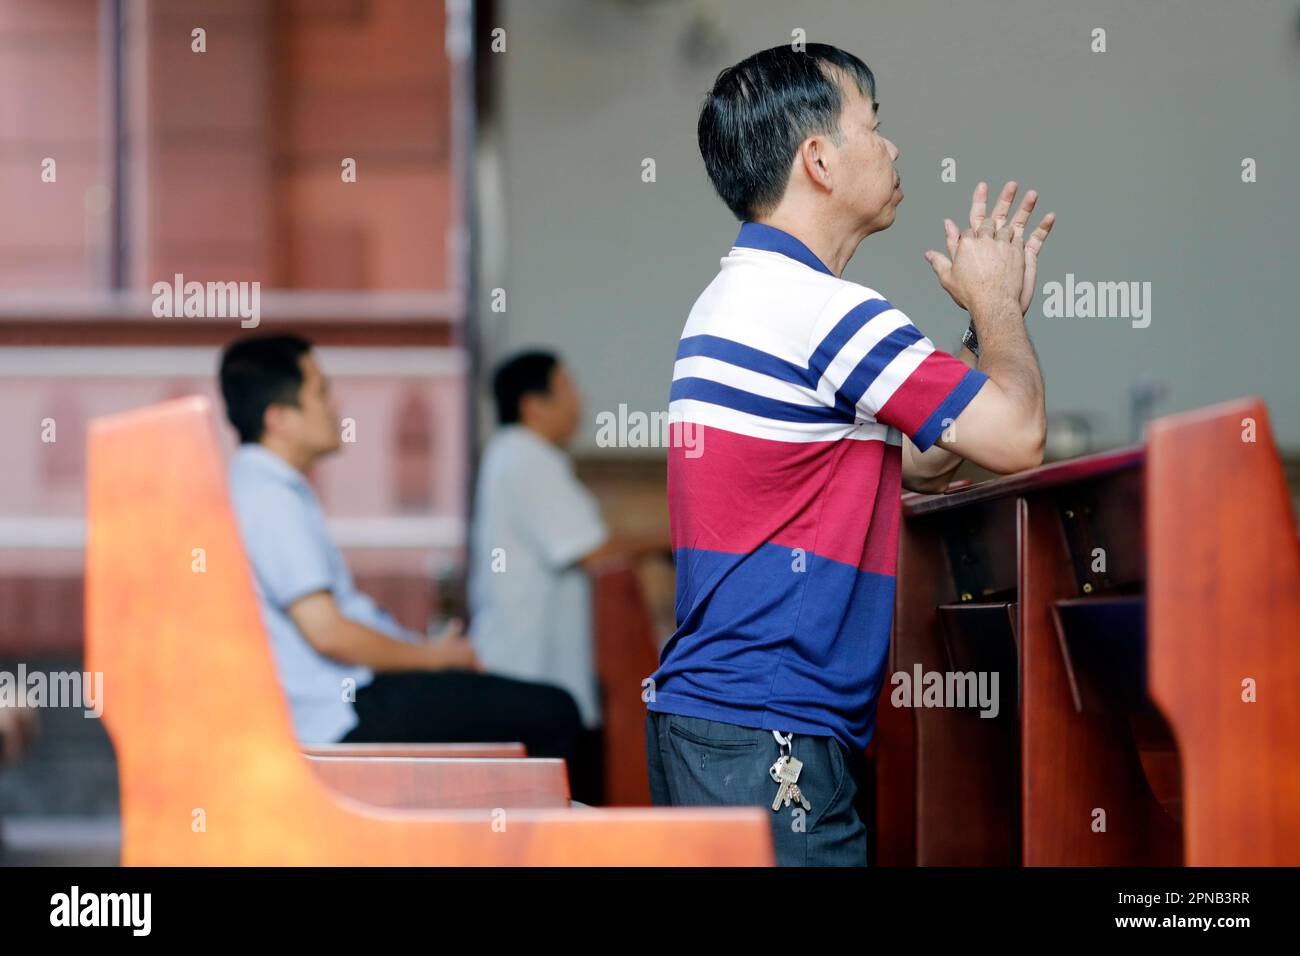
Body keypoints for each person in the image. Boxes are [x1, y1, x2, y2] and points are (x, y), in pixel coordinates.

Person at [645, 44, 1055, 865]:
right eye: (875, 125)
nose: (893, 148)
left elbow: (917, 459)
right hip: (767, 731)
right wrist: (1002, 306)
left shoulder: (741, 295)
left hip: (722, 726)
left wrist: (982, 330)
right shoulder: (822, 310)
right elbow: (1017, 437)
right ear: (821, 159)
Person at [219, 334, 587, 790]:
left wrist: (430, 656)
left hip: (357, 693)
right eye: (320, 392)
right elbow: (328, 633)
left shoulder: (269, 489)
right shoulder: (267, 498)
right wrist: (432, 658)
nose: (335, 405)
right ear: (279, 419)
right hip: (342, 713)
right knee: (553, 712)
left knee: (520, 704)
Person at [469, 350, 668, 803]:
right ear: (532, 405)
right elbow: (590, 548)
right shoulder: (524, 456)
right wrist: (673, 539)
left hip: (534, 672)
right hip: (527, 672)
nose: (579, 400)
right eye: (568, 389)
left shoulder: (522, 456)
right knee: (550, 805)